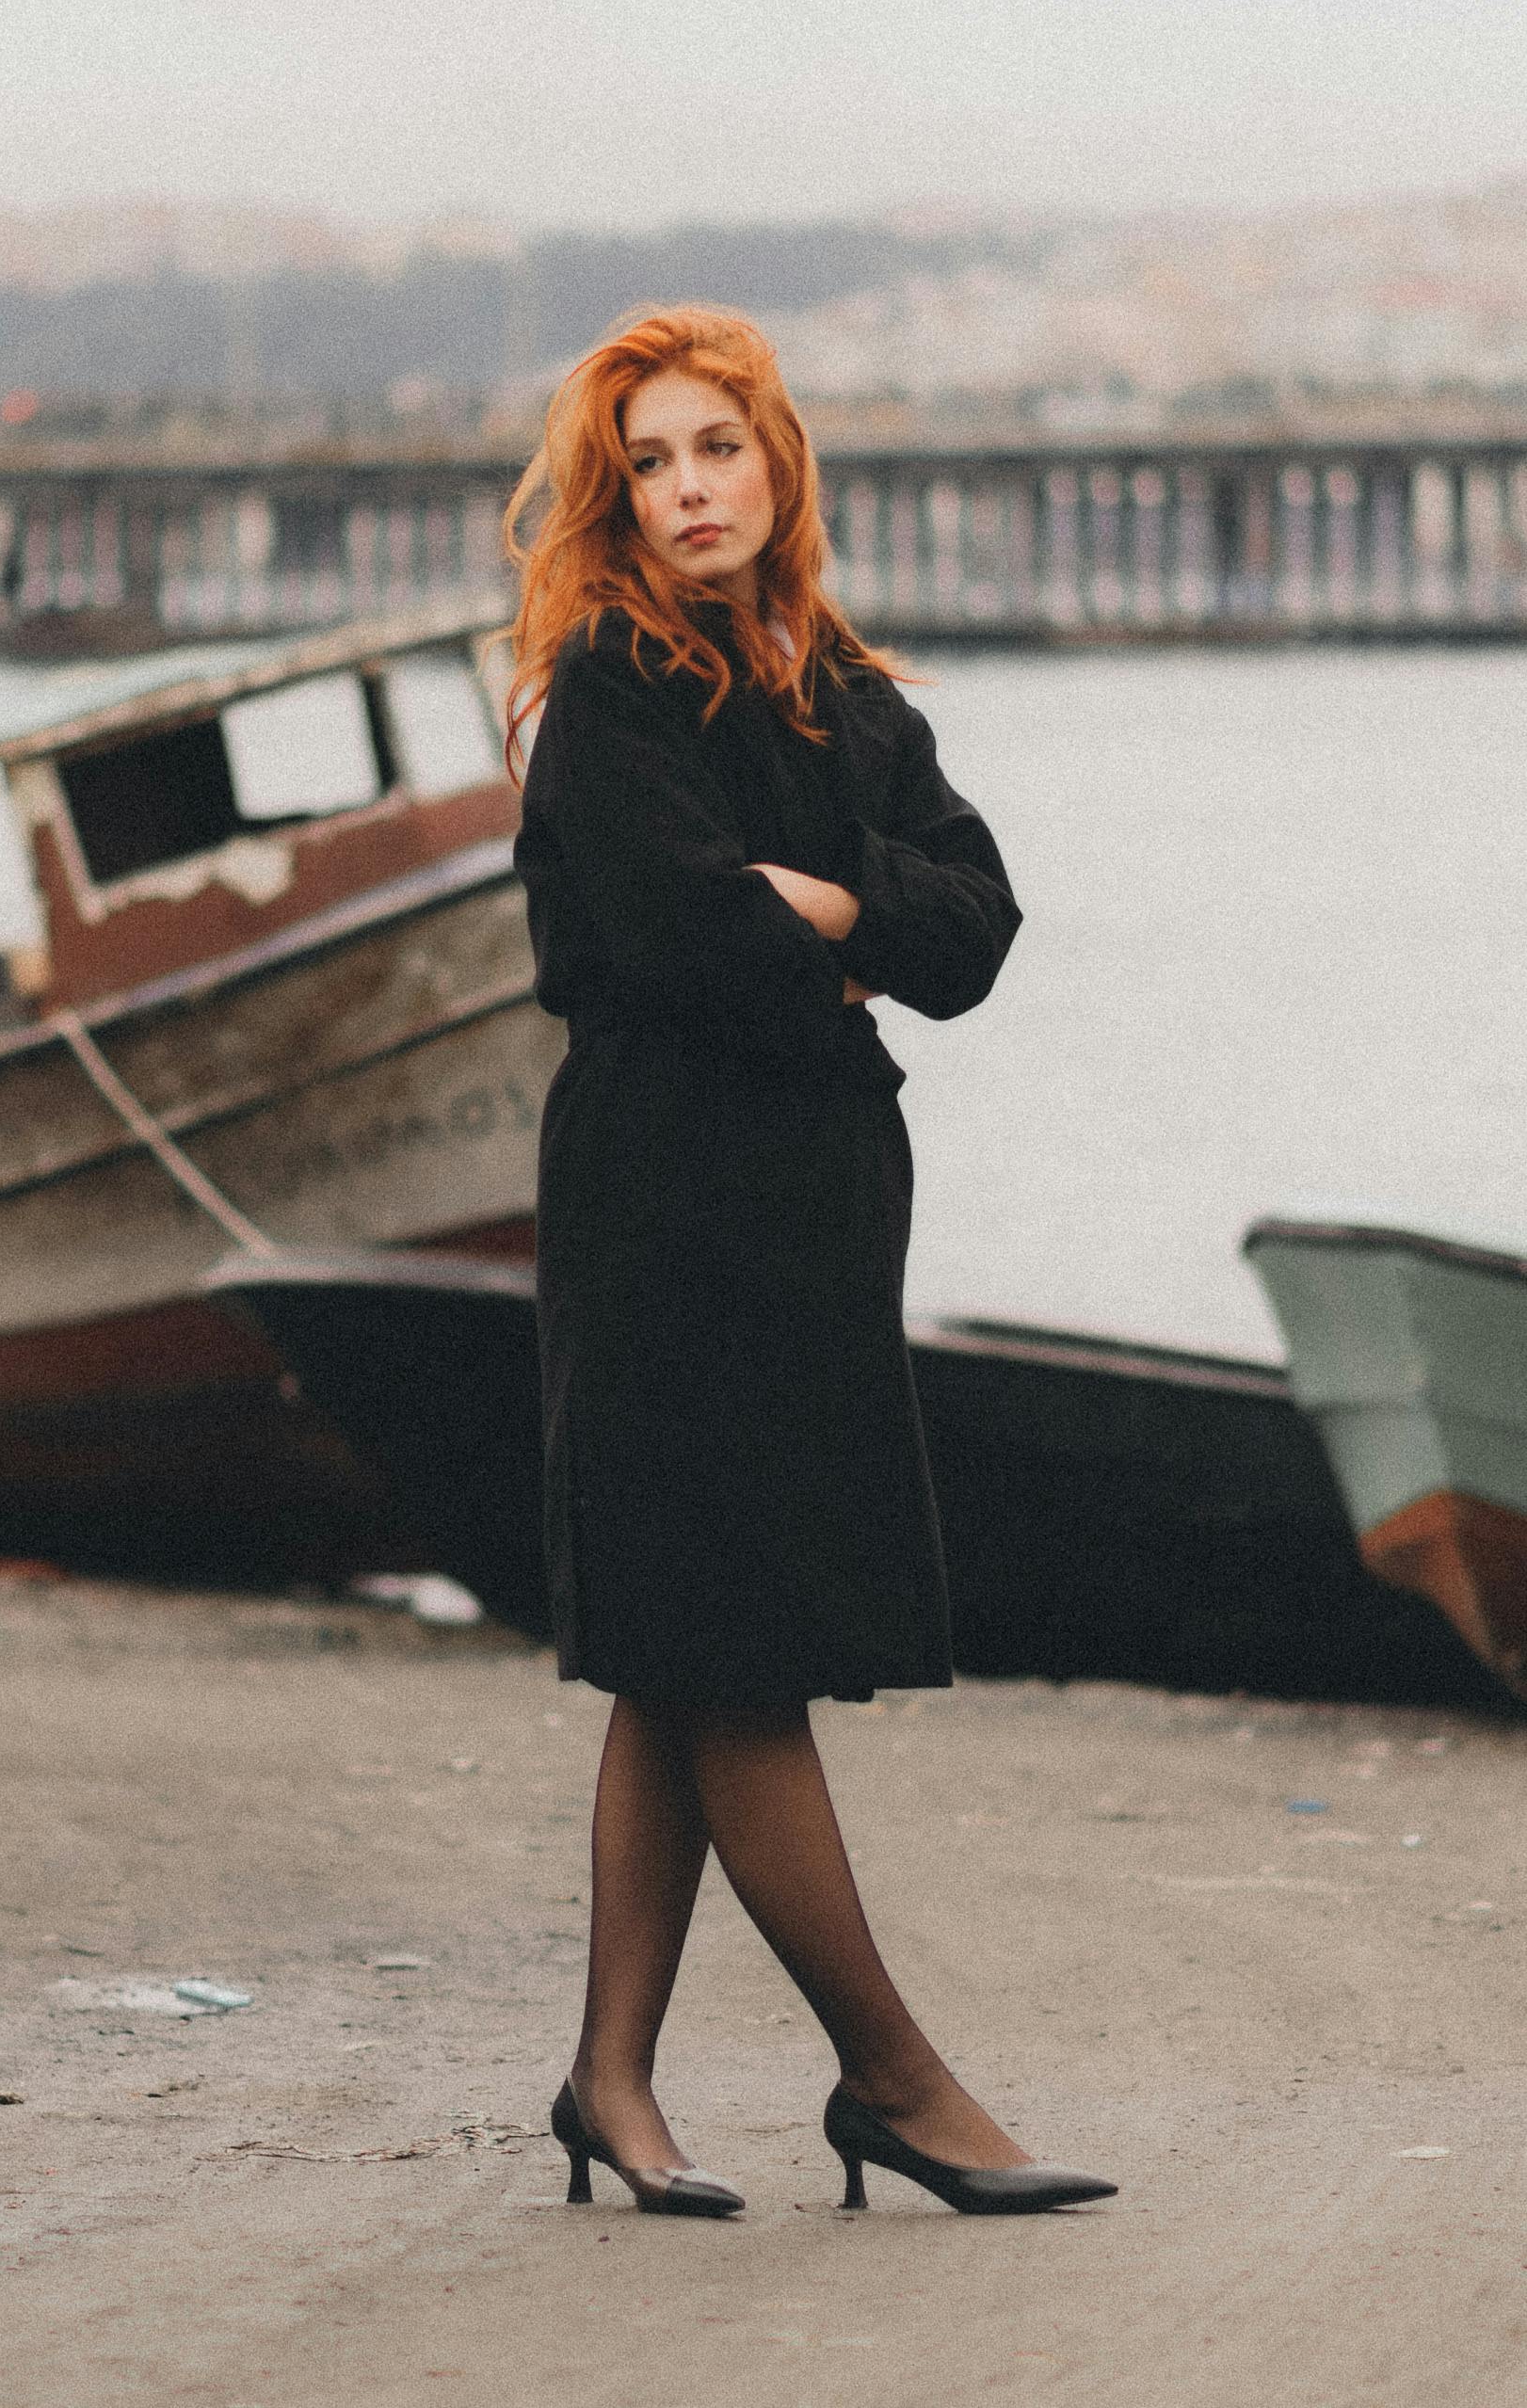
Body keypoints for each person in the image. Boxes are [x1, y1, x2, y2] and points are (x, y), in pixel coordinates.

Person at [506, 307, 1116, 2222]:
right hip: (667, 1203)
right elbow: (683, 940)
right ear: (617, 501)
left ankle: (609, 2080)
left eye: (719, 448)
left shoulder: (845, 691)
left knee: (687, 1643)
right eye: (651, 464)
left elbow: (976, 924)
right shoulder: (611, 687)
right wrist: (835, 936)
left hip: (817, 1205)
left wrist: (838, 901)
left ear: (778, 464)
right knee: (732, 1647)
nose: (691, 489)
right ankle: (897, 2081)